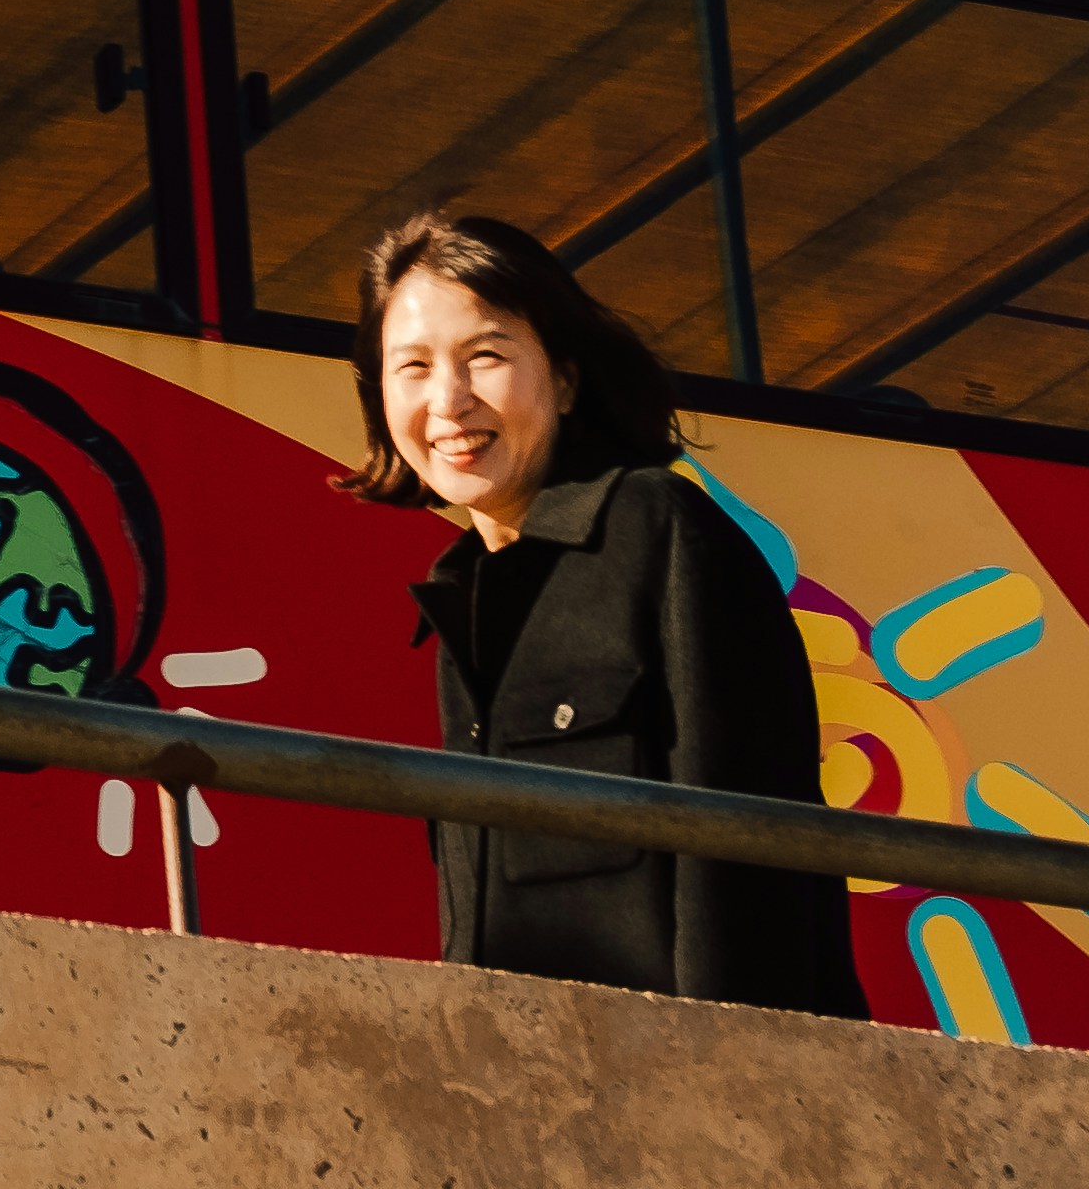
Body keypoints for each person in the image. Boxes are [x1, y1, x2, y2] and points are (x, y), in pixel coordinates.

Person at [344, 205, 866, 1016]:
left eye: (484, 357)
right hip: (520, 1091)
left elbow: (749, 853)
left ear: (564, 375)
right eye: (411, 367)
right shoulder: (460, 600)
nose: (447, 402)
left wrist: (738, 1074)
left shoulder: (658, 530)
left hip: (693, 1088)